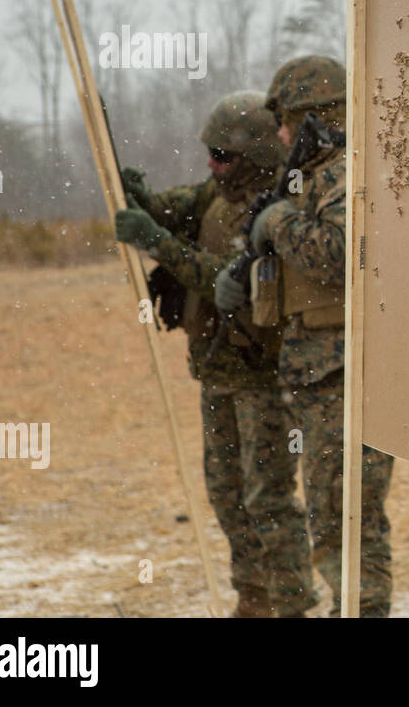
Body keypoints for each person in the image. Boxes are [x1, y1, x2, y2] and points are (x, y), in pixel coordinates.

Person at [114, 90, 314, 617]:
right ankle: (254, 597)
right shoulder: (212, 196)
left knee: (268, 499)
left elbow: (222, 278)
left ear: (255, 156)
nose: (212, 164)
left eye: (222, 156)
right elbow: (166, 209)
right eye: (211, 154)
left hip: (262, 378)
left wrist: (157, 242)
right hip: (215, 371)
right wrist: (137, 197)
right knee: (227, 496)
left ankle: (292, 602)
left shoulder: (274, 210)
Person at [215, 56, 394, 618]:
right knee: (333, 519)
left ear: (318, 116)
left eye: (289, 122)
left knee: (347, 521)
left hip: (345, 375)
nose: (284, 136)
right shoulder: (318, 175)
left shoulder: (343, 171)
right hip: (324, 376)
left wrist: (278, 225)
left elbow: (342, 253)